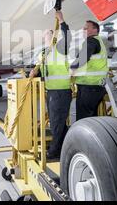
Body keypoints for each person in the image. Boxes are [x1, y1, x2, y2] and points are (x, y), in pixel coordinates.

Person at [30, 11, 72, 160]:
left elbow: (68, 37)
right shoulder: (43, 53)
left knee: (56, 122)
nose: (47, 37)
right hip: (52, 91)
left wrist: (61, 20)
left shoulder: (60, 49)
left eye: (49, 34)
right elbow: (42, 70)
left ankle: (54, 151)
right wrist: (33, 72)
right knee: (59, 122)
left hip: (60, 91)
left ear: (54, 37)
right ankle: (67, 146)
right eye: (46, 35)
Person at [70, 20, 109, 121]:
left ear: (95, 30)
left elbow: (83, 57)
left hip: (89, 86)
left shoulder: (92, 40)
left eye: (86, 28)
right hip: (96, 86)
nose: (83, 29)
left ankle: (82, 137)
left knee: (84, 119)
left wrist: (71, 69)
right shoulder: (98, 42)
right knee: (91, 118)